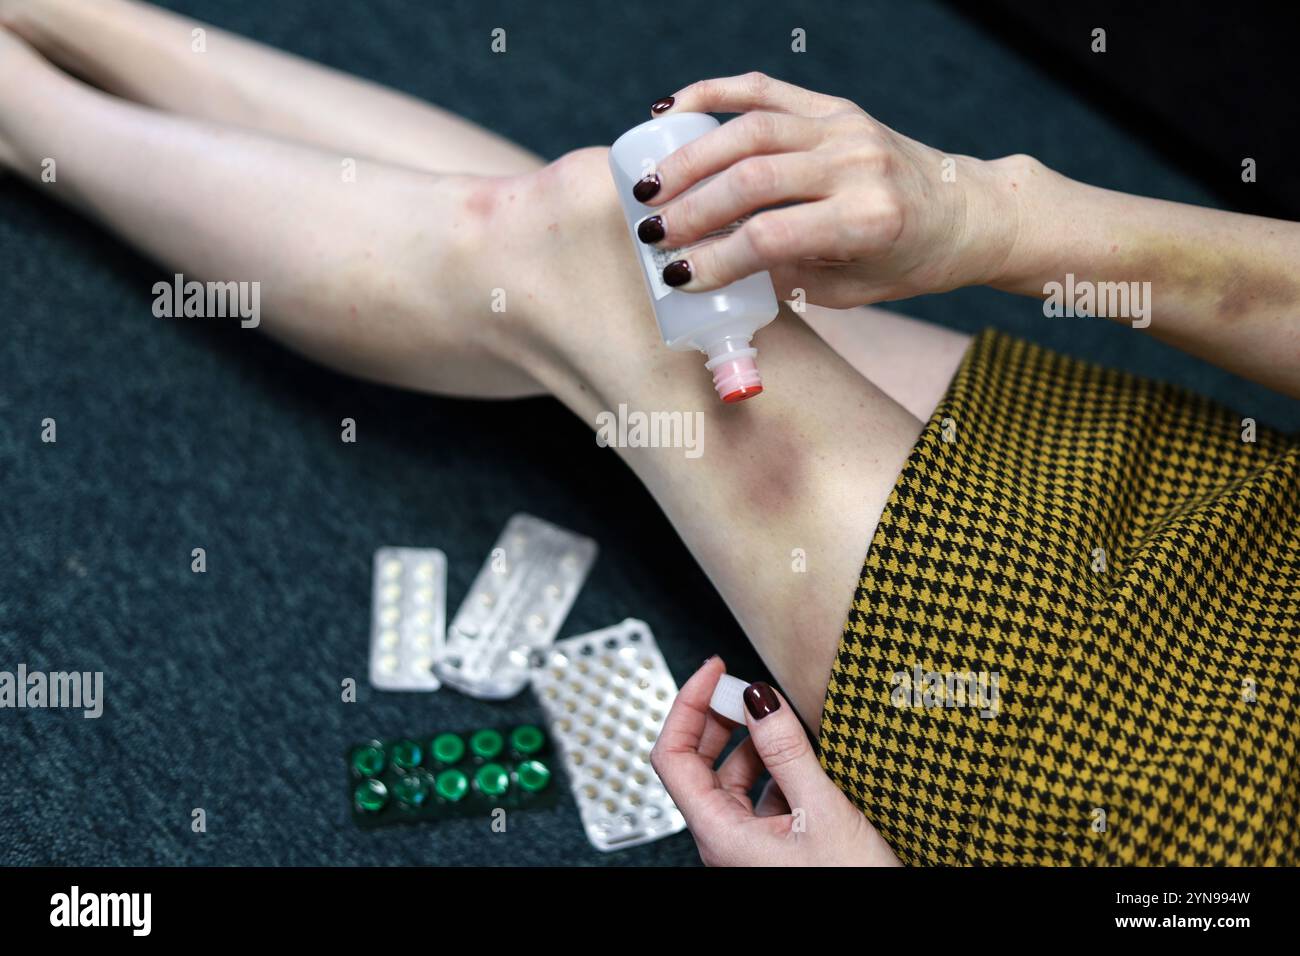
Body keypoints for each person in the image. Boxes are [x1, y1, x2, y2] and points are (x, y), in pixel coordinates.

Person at [2, 0, 1296, 866]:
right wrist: (996, 215)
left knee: (581, 241)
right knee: (627, 236)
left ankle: (30, 117)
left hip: (1169, 796)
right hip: (1248, 524)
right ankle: (91, 21)